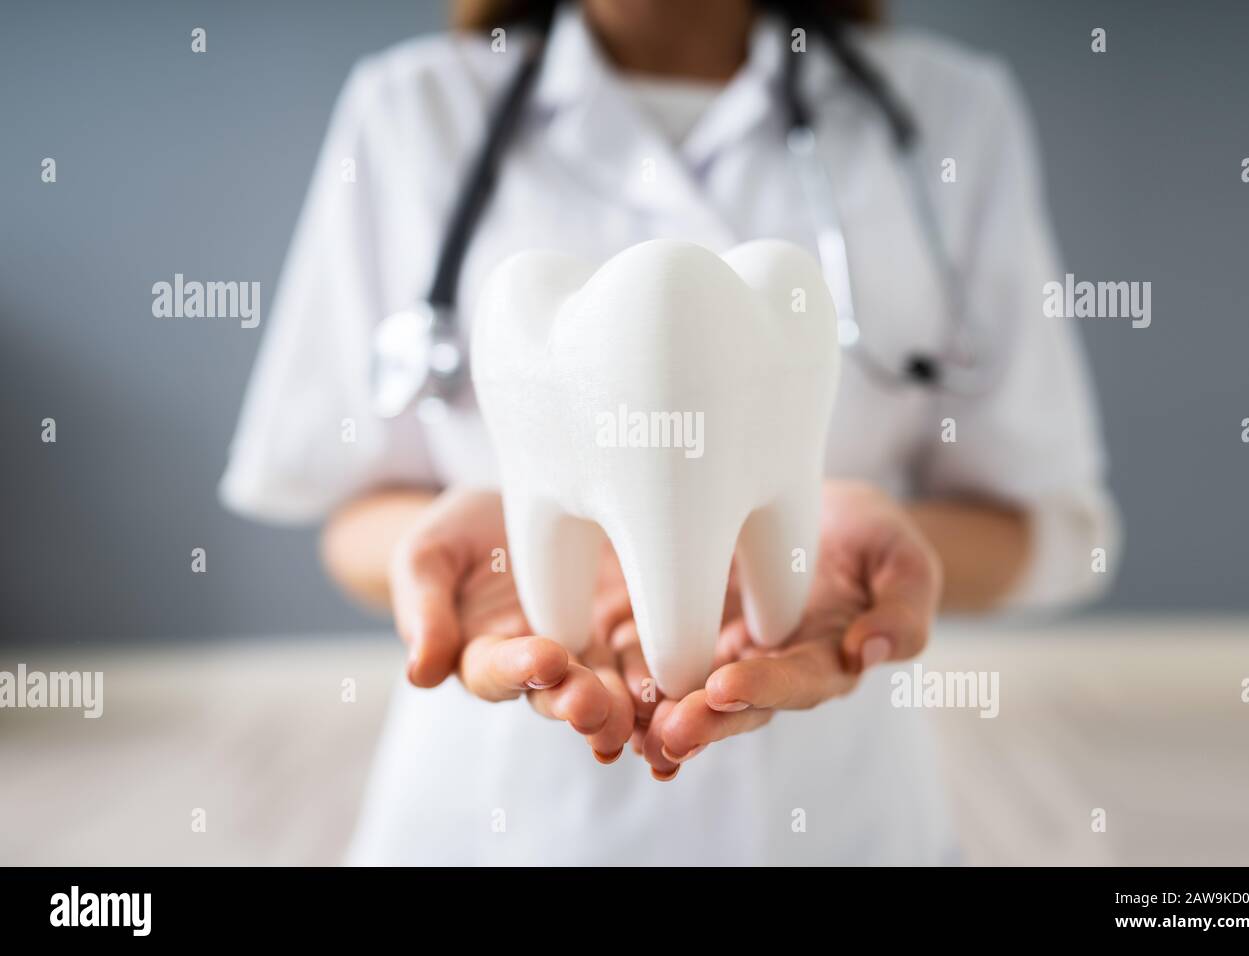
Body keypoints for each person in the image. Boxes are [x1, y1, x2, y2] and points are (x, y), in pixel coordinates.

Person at [219, 0, 1118, 865]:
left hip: (837, 819)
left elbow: (1065, 534)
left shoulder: (951, 114)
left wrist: (870, 552)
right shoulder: (409, 110)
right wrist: (462, 550)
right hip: (493, 821)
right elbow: (344, 511)